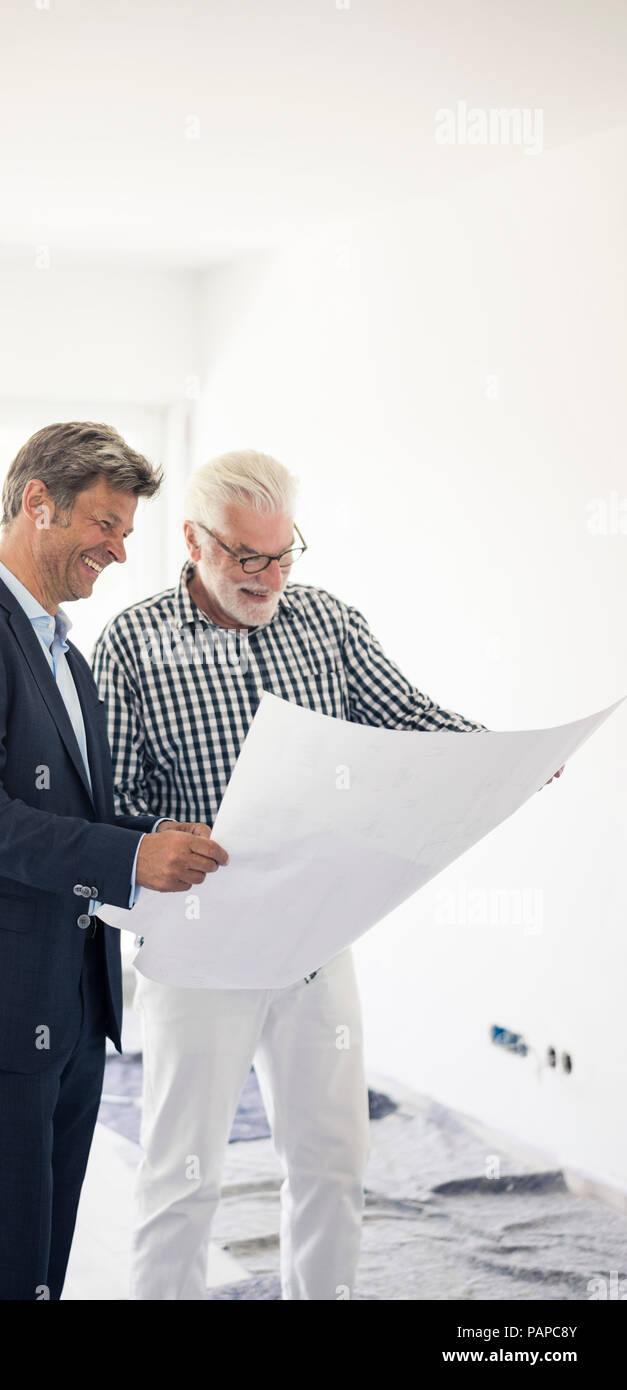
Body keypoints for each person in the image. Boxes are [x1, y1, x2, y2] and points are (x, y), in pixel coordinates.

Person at [91, 447, 494, 1301]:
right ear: (195, 540)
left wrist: (497, 760)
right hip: (199, 945)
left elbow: (408, 719)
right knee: (181, 1172)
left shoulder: (327, 623)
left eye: (281, 555)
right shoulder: (131, 642)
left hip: (315, 938)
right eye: (245, 556)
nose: (267, 575)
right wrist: (173, 836)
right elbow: (113, 803)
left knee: (331, 1157)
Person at [0, 421, 229, 1300]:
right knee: (0, 1274)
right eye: (105, 525)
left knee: (41, 1273)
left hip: (69, 1006)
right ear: (39, 503)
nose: (117, 551)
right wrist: (128, 856)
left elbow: (83, 814)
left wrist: (183, 839)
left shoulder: (66, 656)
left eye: (124, 531)